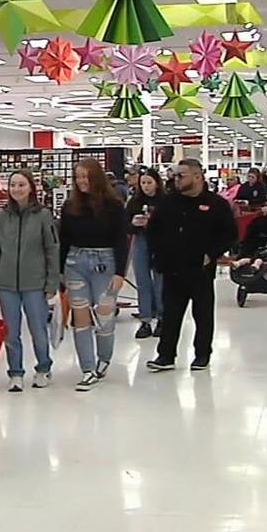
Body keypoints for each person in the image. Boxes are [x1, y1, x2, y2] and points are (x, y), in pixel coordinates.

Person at [145, 159, 237, 372]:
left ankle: (202, 354)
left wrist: (211, 254)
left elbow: (229, 234)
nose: (176, 179)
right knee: (170, 314)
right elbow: (154, 231)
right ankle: (165, 355)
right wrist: (158, 257)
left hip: (201, 269)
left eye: (181, 175)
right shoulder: (168, 203)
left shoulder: (216, 204)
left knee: (203, 314)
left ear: (197, 177)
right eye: (175, 175)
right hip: (172, 268)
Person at [0, 171, 59, 392]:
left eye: (21, 185)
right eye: (13, 185)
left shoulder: (43, 215)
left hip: (35, 283)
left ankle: (43, 368)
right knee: (11, 332)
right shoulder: (0, 217)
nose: (17, 189)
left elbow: (52, 250)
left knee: (38, 329)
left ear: (31, 187)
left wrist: (52, 282)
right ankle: (15, 372)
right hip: (6, 283)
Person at [59, 157, 128, 390]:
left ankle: (104, 359)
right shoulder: (69, 206)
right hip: (75, 263)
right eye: (78, 177)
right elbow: (64, 241)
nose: (81, 182)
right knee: (80, 316)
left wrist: (120, 272)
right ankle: (87, 368)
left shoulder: (115, 206)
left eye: (85, 177)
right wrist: (60, 273)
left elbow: (121, 240)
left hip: (105, 263)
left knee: (104, 313)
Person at [126, 169, 166, 340]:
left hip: (160, 243)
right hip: (141, 241)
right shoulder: (134, 202)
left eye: (149, 182)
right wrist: (134, 223)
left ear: (157, 183)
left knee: (160, 282)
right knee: (142, 281)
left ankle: (162, 318)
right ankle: (145, 320)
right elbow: (125, 225)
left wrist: (155, 223)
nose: (146, 186)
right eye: (143, 183)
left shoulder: (165, 201)